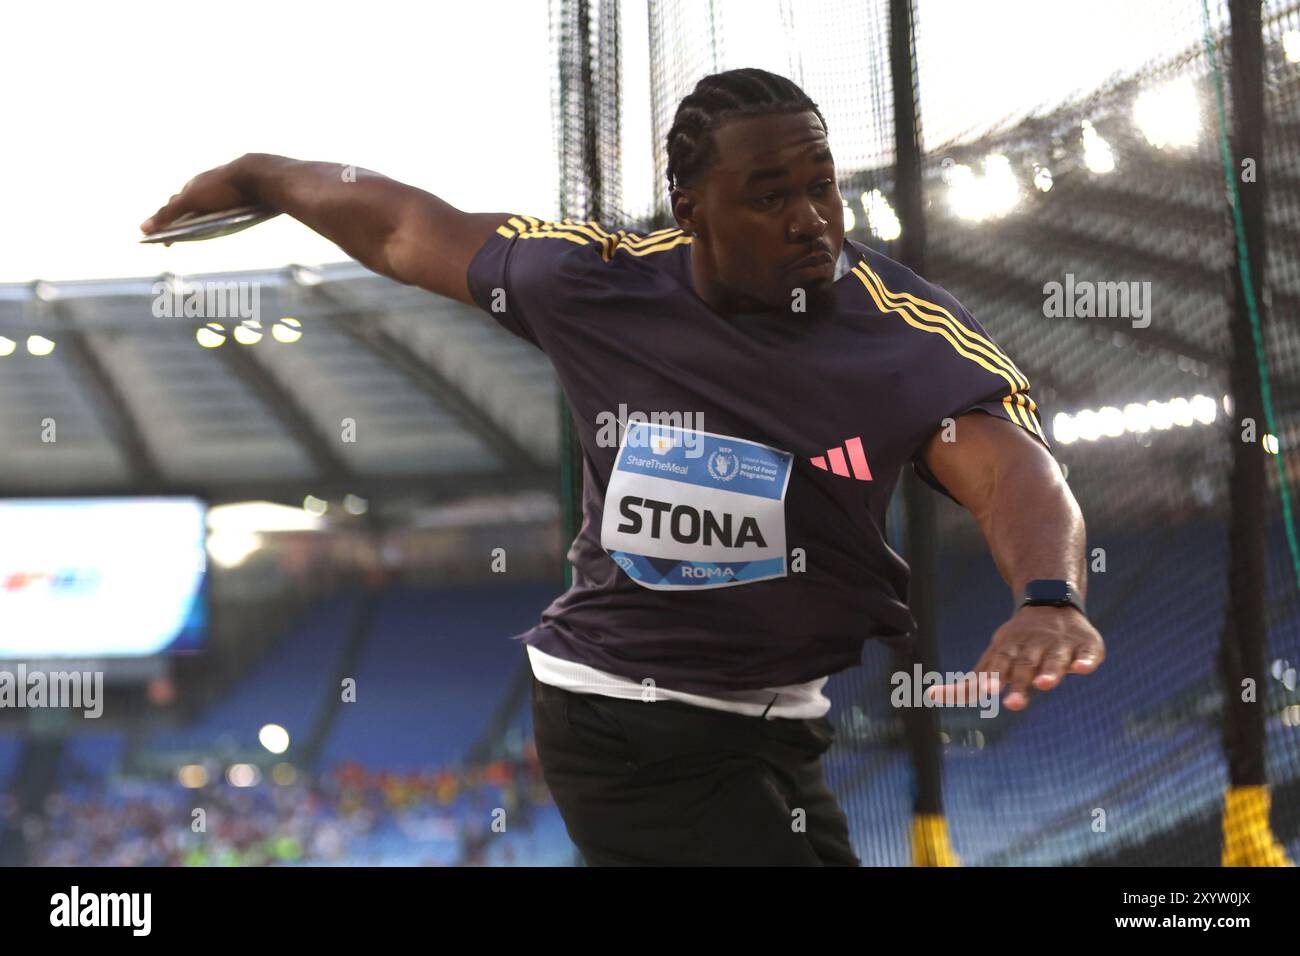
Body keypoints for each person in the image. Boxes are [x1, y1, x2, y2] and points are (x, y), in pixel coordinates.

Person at [141, 67, 1105, 867]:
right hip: (622, 712)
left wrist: (1049, 594)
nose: (812, 219)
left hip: (781, 721)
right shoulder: (594, 282)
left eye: (822, 182)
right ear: (692, 209)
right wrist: (263, 174)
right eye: (770, 195)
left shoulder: (900, 336)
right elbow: (402, 227)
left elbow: (1007, 468)